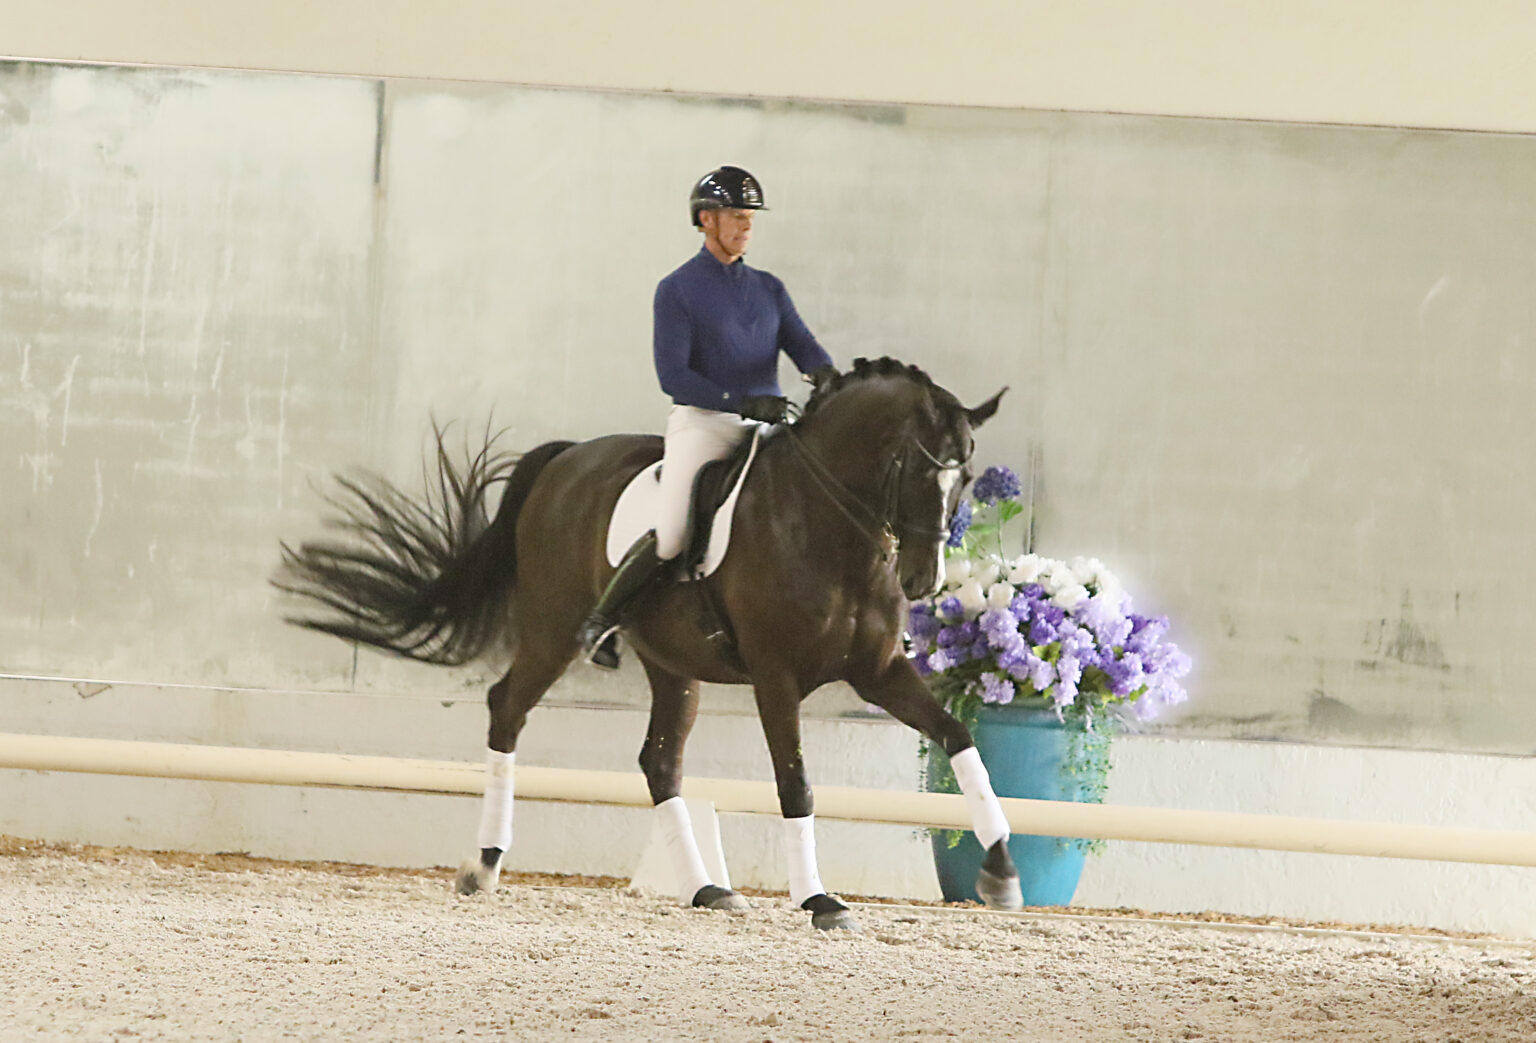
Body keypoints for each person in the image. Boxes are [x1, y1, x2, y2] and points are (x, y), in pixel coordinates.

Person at [577, 165, 838, 669]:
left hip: (767, 425)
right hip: (705, 424)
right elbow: (673, 375)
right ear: (706, 220)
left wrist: (824, 373)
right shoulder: (676, 289)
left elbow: (801, 343)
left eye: (750, 219)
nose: (745, 227)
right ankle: (601, 619)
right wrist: (739, 402)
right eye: (736, 217)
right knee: (674, 534)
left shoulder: (769, 288)